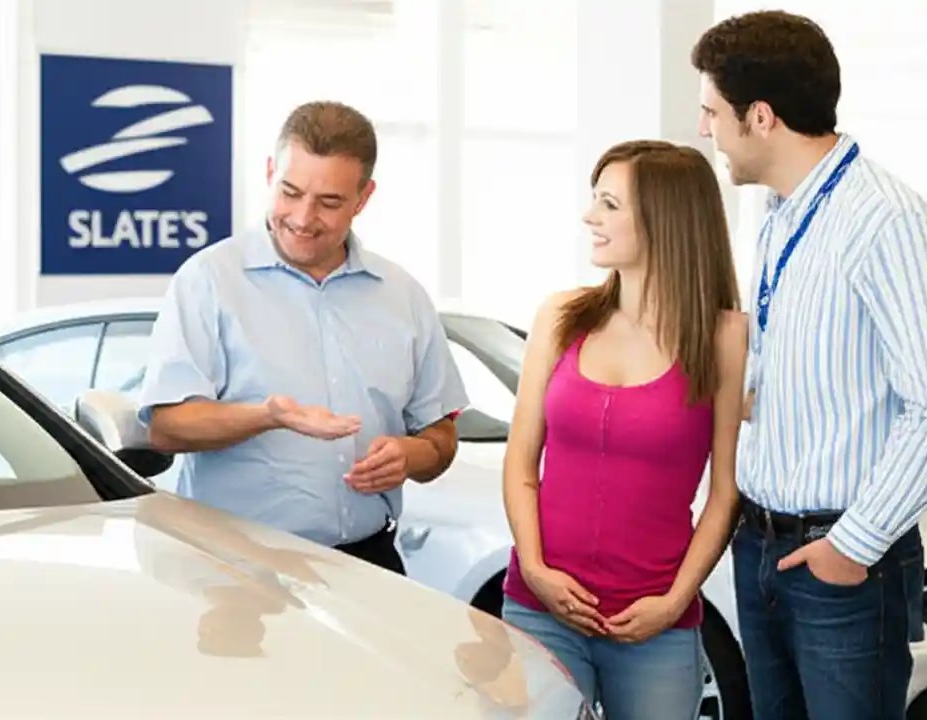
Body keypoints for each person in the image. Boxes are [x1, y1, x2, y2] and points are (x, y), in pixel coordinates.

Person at [692, 10, 927, 720]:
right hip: (761, 546)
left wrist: (853, 544)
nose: (706, 131)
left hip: (843, 561)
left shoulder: (890, 223)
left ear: (760, 117)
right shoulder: (782, 215)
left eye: (712, 112)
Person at [136, 100, 468, 575]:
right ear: (270, 172)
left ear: (363, 198)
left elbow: (441, 437)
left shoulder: (404, 296)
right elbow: (166, 427)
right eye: (290, 191)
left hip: (369, 564)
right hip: (234, 567)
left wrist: (412, 455)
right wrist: (267, 415)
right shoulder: (208, 280)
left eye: (329, 202)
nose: (303, 216)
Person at [500, 139, 748, 718]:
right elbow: (520, 464)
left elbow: (724, 492)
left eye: (609, 204)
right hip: (541, 608)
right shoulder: (561, 317)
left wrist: (675, 602)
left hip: (655, 625)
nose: (591, 217)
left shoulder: (725, 336)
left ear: (665, 220)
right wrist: (536, 571)